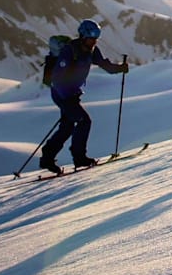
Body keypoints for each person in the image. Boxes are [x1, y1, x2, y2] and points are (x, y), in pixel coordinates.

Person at [40, 18, 129, 174]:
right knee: (84, 121)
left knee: (67, 126)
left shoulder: (92, 50)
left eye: (96, 38)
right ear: (83, 36)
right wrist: (68, 96)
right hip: (61, 93)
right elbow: (57, 77)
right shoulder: (70, 50)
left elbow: (104, 64)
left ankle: (47, 158)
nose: (94, 41)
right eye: (91, 38)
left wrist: (120, 68)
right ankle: (79, 157)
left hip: (70, 94)